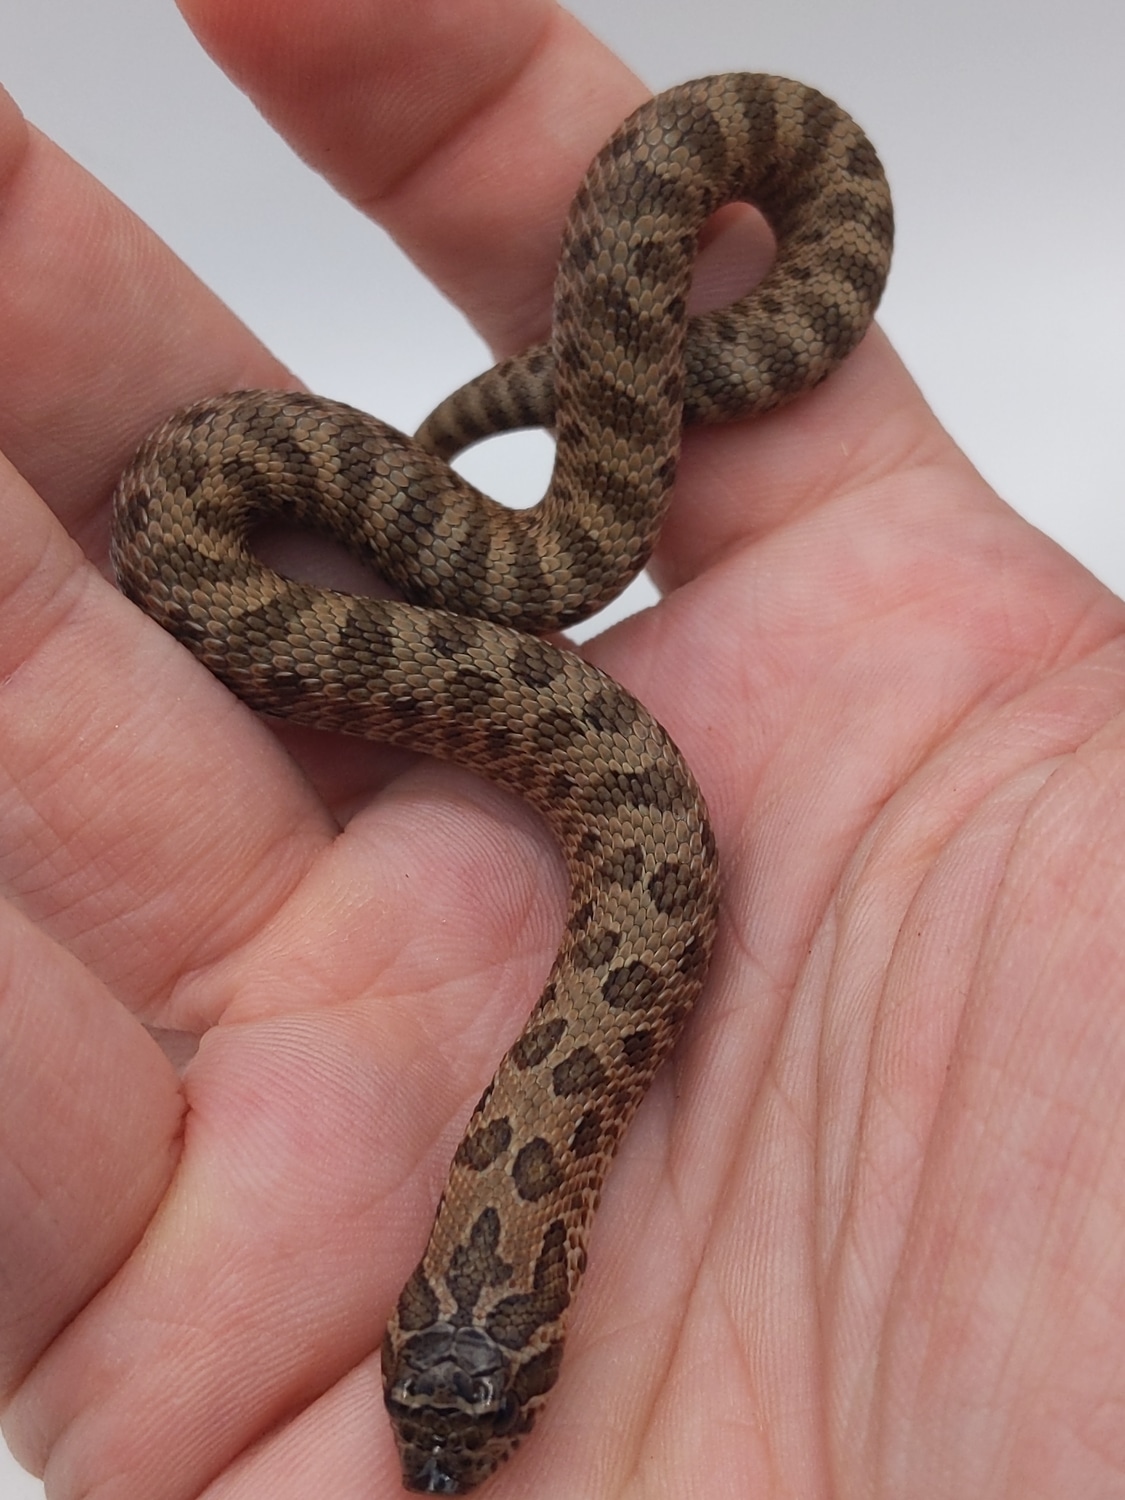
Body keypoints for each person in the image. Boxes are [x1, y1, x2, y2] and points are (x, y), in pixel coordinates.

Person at [1, 3, 1123, 1496]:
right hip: (337, 522)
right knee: (532, 565)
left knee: (545, 566)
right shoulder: (565, 1128)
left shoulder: (569, 1131)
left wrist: (574, 389)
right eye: (471, 1407)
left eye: (449, 1401)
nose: (447, 1449)